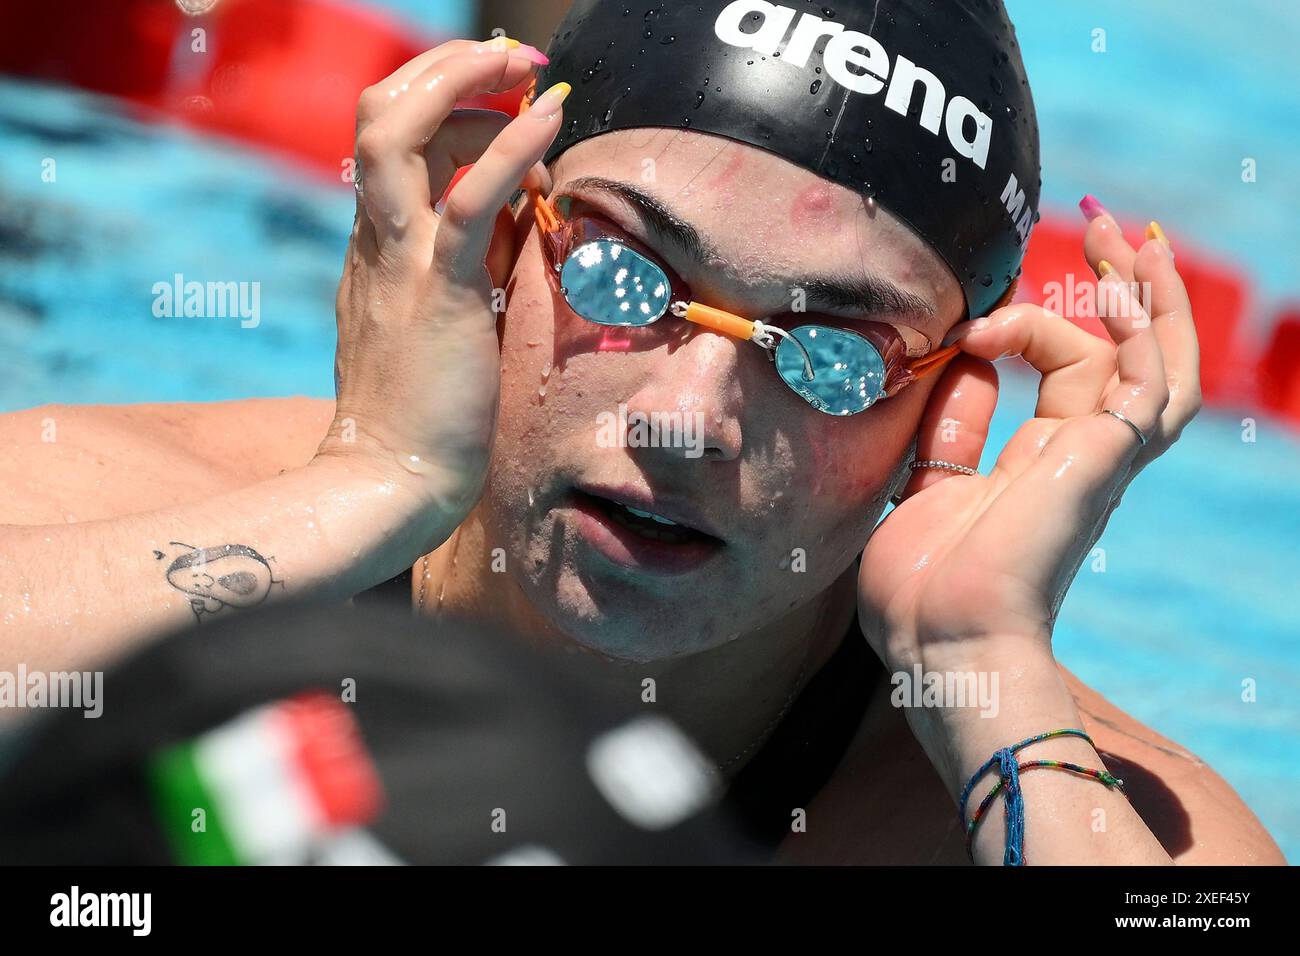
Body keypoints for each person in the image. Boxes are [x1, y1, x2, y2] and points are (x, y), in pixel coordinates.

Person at [0, 1, 1285, 863]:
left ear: (945, 409)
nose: (688, 421)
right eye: (626, 274)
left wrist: (985, 665)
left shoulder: (1028, 794)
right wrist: (369, 487)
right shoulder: (107, 505)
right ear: (495, 236)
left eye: (834, 353)